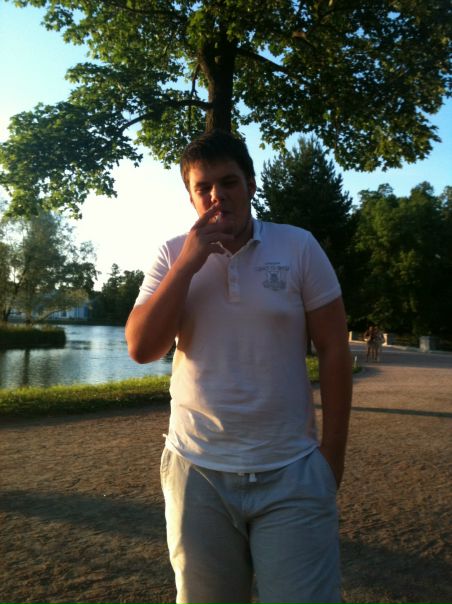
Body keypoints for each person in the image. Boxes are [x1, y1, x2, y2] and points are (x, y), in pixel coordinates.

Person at [125, 130, 353, 604]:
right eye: (203, 187)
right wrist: (188, 264)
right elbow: (142, 348)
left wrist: (331, 456)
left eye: (228, 182)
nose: (217, 196)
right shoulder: (171, 254)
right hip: (197, 471)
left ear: (250, 184)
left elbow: (334, 348)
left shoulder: (298, 247)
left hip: (291, 471)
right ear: (190, 197)